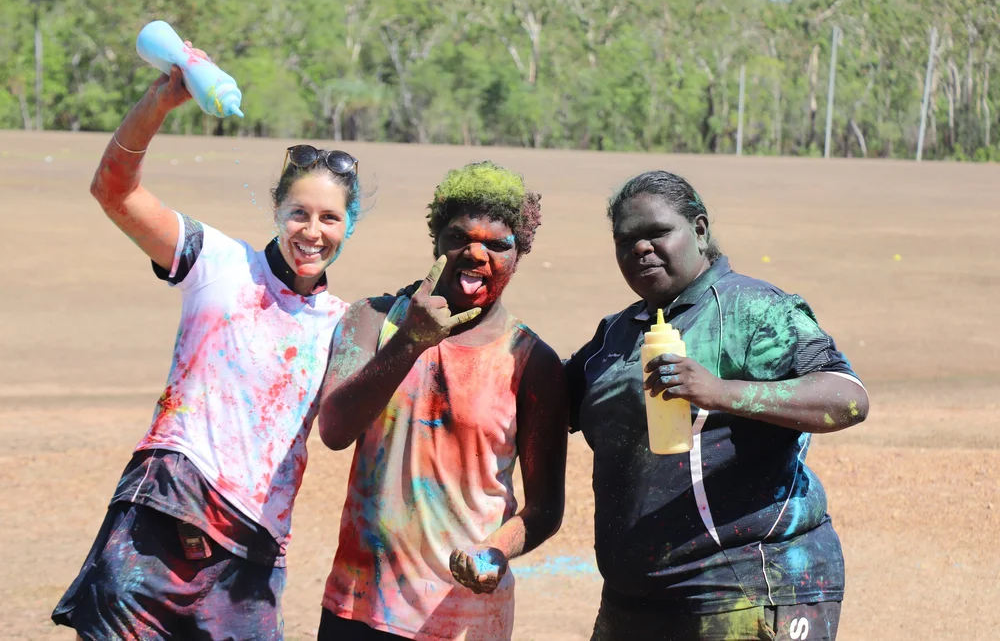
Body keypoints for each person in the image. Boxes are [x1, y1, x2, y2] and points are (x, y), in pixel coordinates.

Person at [52, 46, 366, 640]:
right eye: (299, 213)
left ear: (349, 226)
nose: (312, 231)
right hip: (160, 521)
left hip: (252, 550)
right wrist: (159, 102)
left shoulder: (345, 324)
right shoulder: (215, 262)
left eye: (329, 218)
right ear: (277, 211)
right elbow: (113, 190)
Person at [565, 170, 869, 641]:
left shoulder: (753, 309)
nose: (640, 248)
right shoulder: (616, 334)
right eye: (625, 240)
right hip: (636, 600)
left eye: (657, 232)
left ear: (700, 230)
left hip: (747, 590)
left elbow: (848, 398)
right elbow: (545, 403)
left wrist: (719, 392)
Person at [315, 161, 568, 641]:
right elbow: (333, 430)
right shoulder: (372, 320)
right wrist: (409, 340)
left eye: (498, 245)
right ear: (436, 240)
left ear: (518, 255)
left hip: (463, 617)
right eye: (459, 238)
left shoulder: (533, 362)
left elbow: (545, 508)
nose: (476, 254)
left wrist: (495, 551)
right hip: (360, 606)